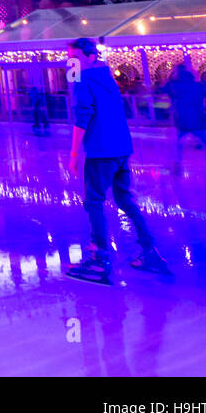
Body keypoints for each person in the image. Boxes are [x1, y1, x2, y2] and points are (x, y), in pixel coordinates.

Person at [65, 38, 169, 283]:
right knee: (125, 199)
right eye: (70, 58)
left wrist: (73, 153)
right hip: (122, 148)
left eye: (76, 57)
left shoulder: (82, 79)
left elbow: (83, 117)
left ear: (90, 57)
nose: (72, 62)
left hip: (101, 151)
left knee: (93, 202)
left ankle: (99, 259)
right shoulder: (108, 78)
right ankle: (149, 250)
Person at [163, 65, 206, 175]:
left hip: (182, 121)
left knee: (178, 144)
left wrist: (174, 73)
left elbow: (165, 87)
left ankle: (177, 166)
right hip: (198, 120)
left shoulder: (175, 87)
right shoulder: (199, 86)